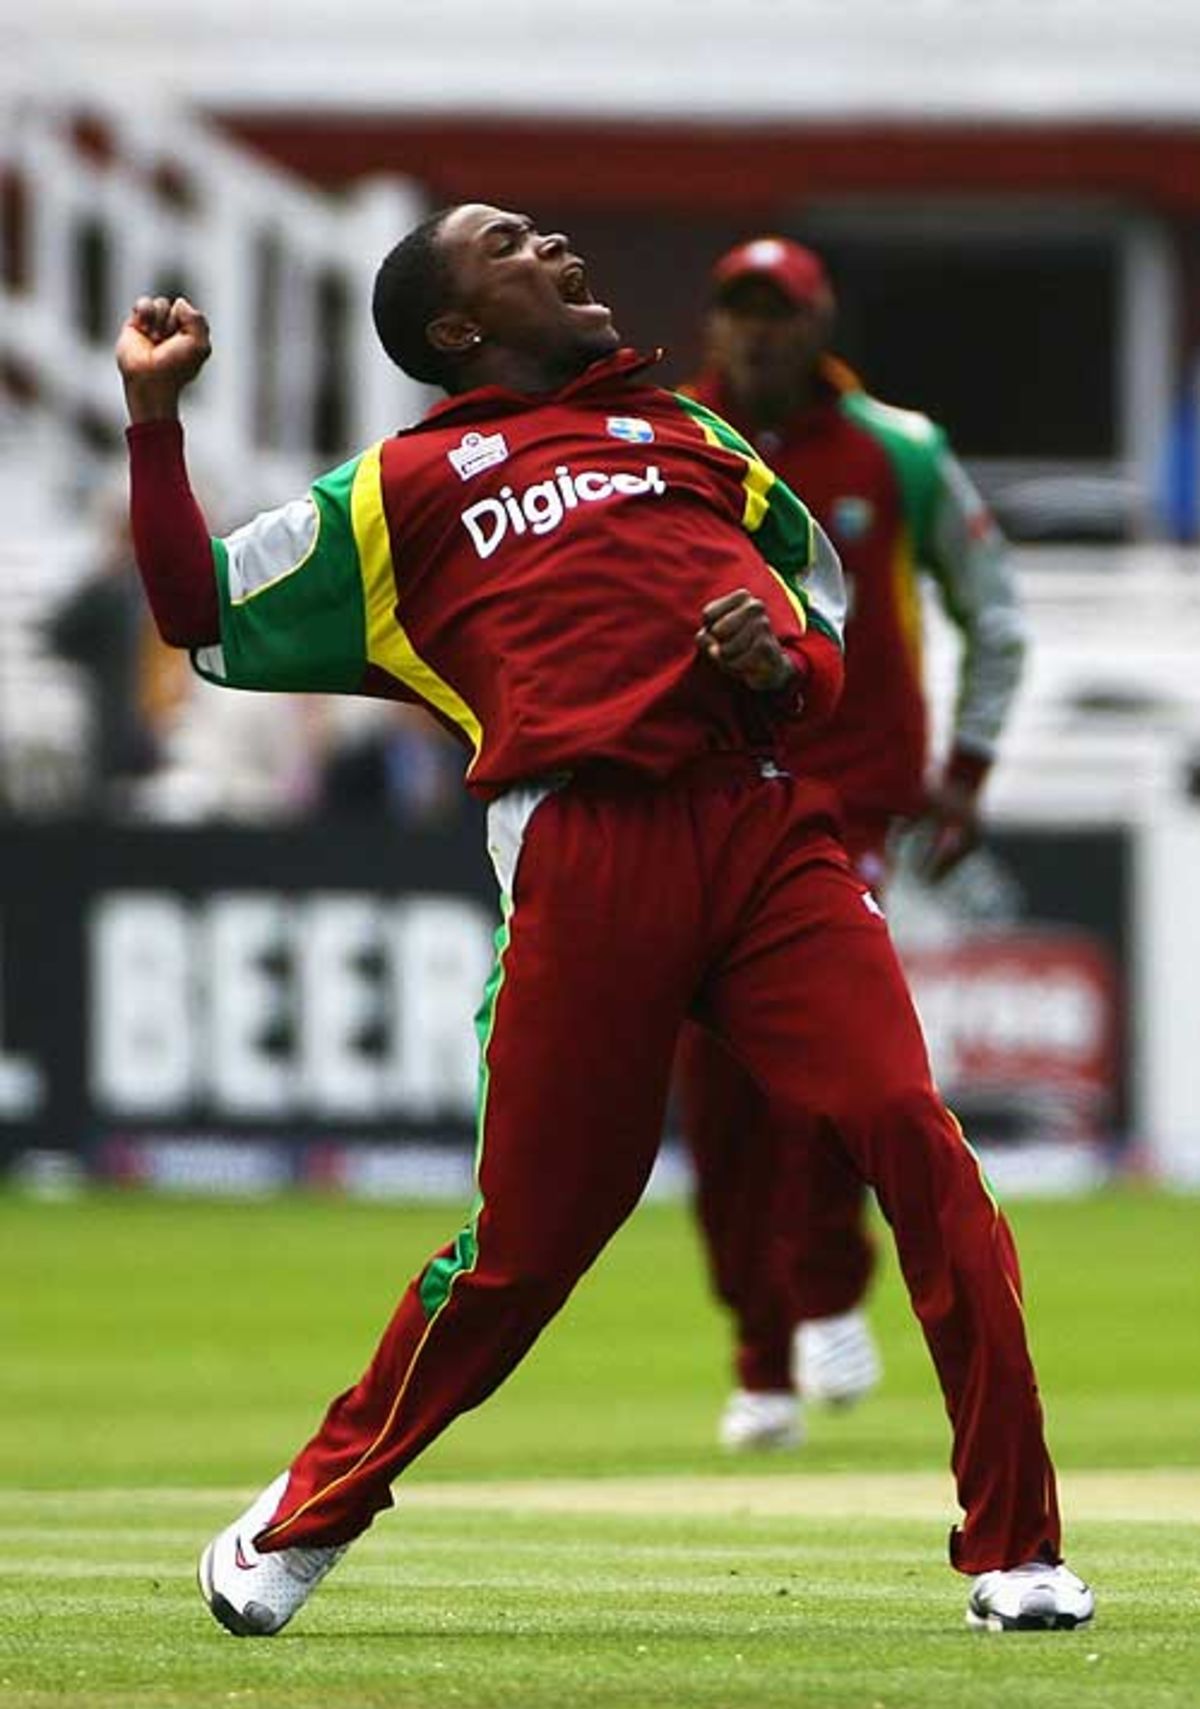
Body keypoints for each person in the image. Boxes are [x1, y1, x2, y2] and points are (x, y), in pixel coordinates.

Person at [115, 202, 1091, 1638]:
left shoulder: (694, 436)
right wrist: (154, 424)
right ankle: (306, 1508)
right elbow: (197, 609)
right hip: (585, 848)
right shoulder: (402, 490)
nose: (554, 244)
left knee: (913, 1134)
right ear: (459, 330)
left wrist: (776, 661)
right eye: (510, 244)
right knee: (526, 1250)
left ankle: (1016, 1549)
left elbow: (820, 638)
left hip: (766, 830)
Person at [675, 235, 1028, 1452]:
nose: (756, 335)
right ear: (715, 326)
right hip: (701, 794)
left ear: (818, 325)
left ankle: (827, 1285)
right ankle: (758, 1346)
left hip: (842, 795)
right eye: (738, 313)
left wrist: (968, 768)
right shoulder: (668, 440)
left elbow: (998, 614)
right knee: (711, 1089)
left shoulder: (901, 451)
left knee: (821, 1064)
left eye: (778, 314)